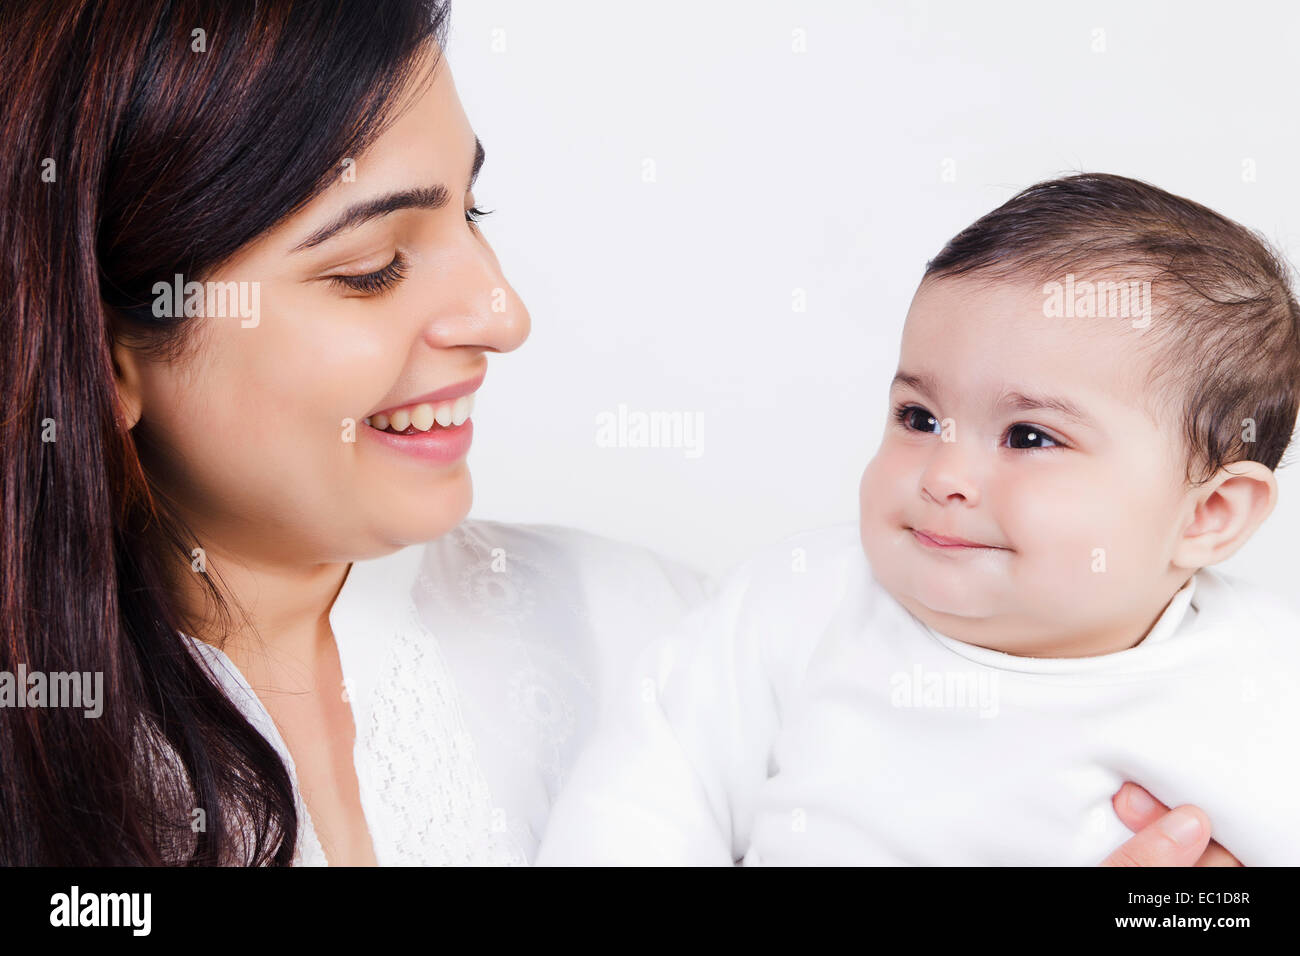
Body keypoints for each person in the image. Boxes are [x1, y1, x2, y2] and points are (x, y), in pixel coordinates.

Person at [0, 1, 1223, 866]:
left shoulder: (658, 634)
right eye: (371, 268)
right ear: (106, 354)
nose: (504, 313)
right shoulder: (38, 753)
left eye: (472, 208)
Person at [535, 174, 1298, 865]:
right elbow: (639, 801)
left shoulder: (1264, 686)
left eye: (1029, 437)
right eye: (919, 416)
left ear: (1210, 515)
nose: (944, 475)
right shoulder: (797, 607)